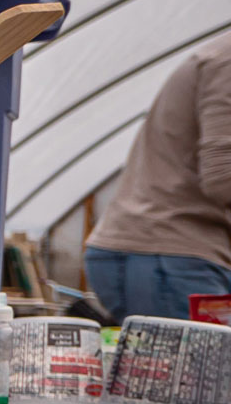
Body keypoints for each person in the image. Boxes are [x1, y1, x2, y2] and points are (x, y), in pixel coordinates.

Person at [84, 29, 231, 321]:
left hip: (170, 257)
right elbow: (223, 174)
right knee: (196, 367)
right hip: (169, 256)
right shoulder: (226, 62)